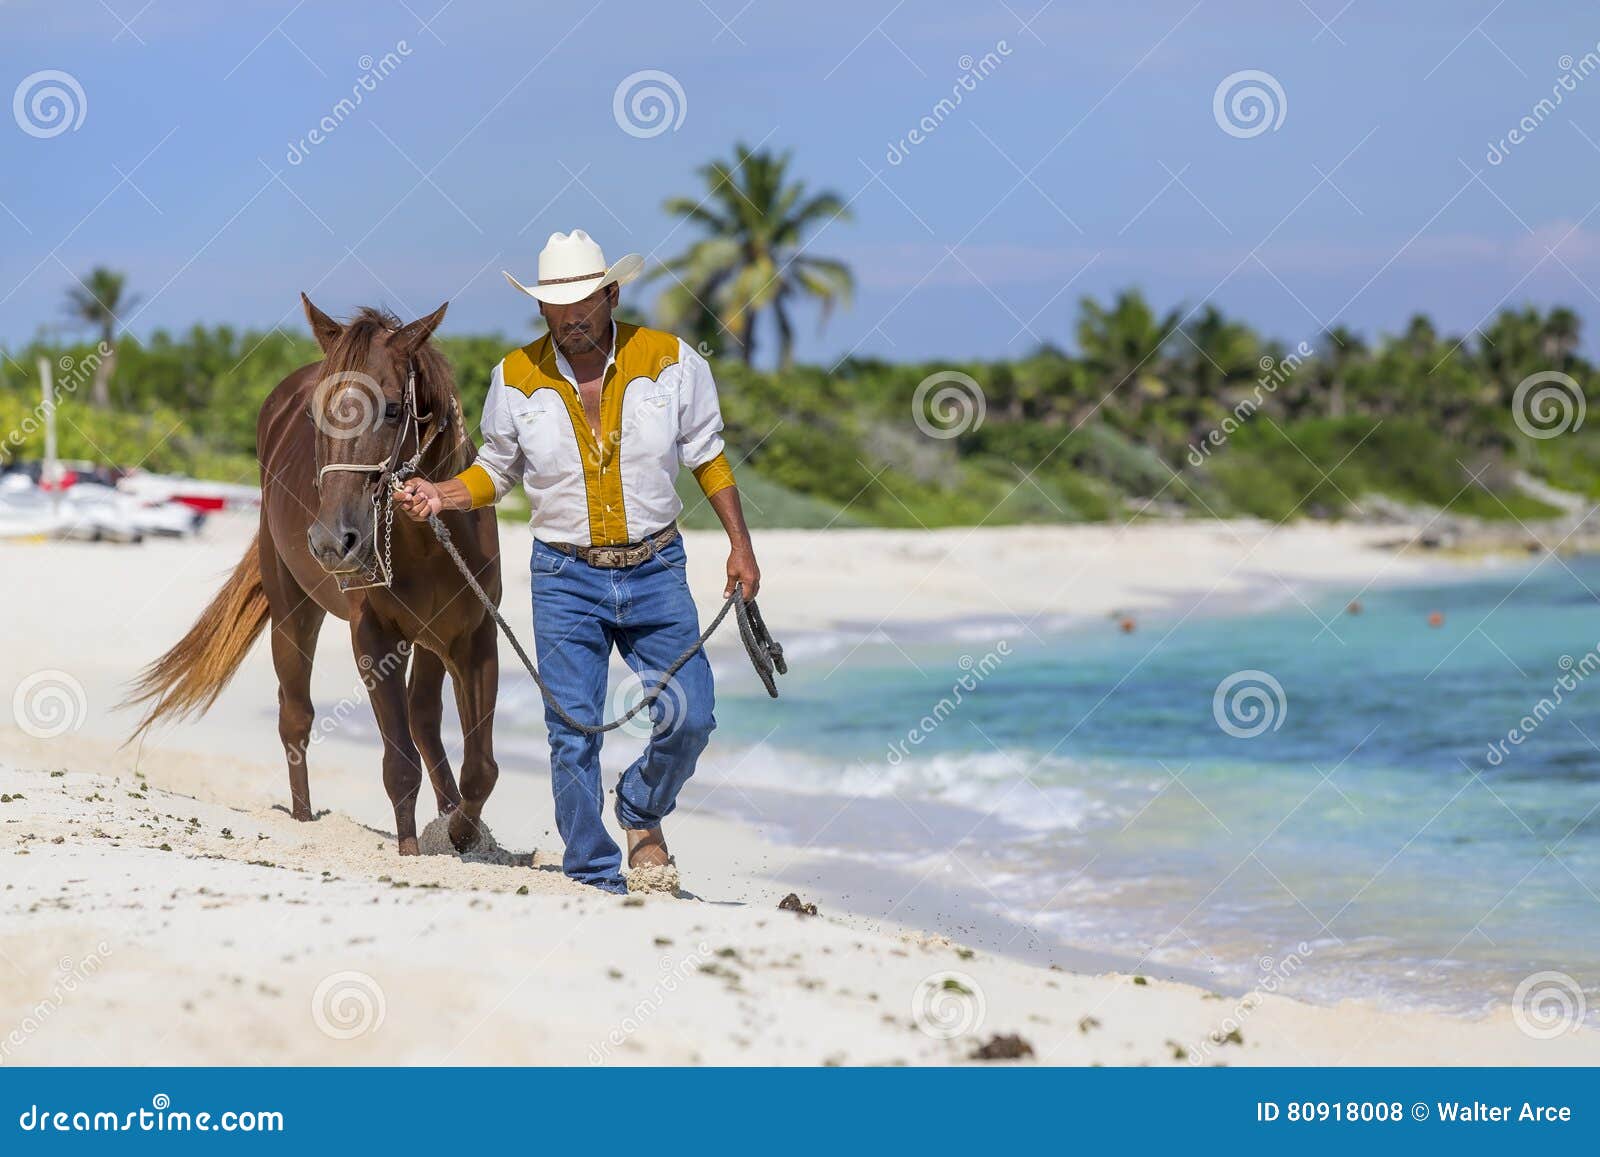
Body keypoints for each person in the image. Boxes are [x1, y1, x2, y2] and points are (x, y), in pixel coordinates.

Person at [396, 228, 760, 894]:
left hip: (656, 568)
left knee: (692, 713)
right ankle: (593, 877)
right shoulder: (514, 376)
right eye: (557, 316)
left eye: (584, 313)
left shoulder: (675, 361)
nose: (572, 327)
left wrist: (740, 542)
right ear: (541, 312)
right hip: (565, 577)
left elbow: (708, 455)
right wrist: (442, 493)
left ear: (613, 294)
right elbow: (496, 469)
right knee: (571, 735)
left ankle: (640, 809)